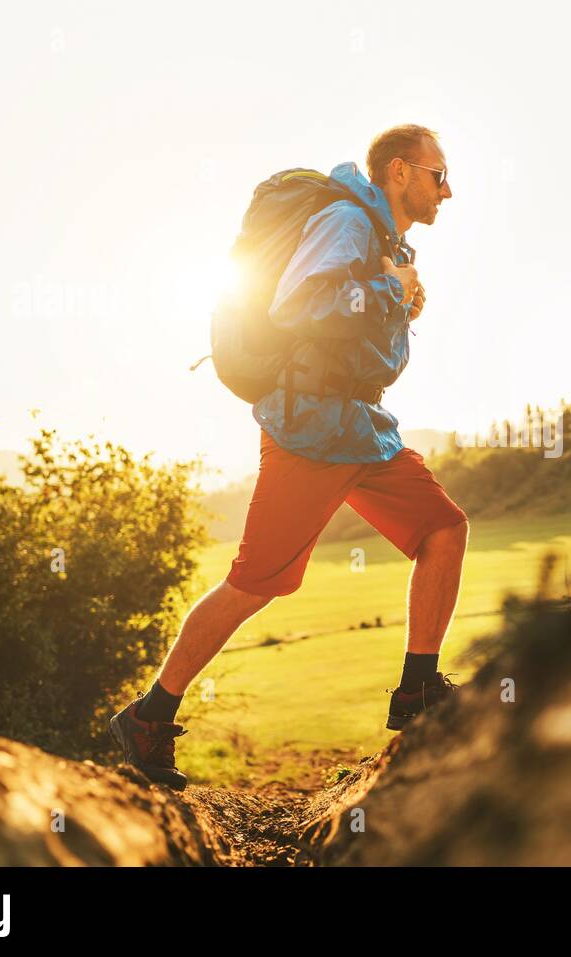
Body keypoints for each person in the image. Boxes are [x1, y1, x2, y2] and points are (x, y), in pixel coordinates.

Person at [110, 125, 467, 790]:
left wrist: (403, 299)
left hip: (360, 429)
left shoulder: (386, 242)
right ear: (398, 172)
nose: (448, 189)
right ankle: (148, 716)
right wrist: (393, 292)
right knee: (259, 581)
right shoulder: (345, 220)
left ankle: (417, 690)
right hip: (311, 430)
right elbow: (299, 303)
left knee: (444, 529)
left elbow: (363, 329)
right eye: (438, 174)